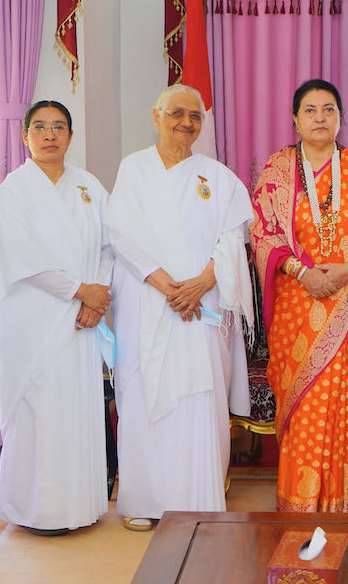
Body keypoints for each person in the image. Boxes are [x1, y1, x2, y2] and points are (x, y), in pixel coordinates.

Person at [106, 85, 254, 530]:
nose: (186, 123)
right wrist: (167, 286)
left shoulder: (218, 177)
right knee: (143, 396)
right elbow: (121, 233)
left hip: (203, 305)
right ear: (157, 117)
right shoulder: (133, 169)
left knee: (199, 399)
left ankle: (199, 502)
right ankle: (144, 502)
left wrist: (204, 282)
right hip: (148, 301)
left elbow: (234, 239)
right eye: (176, 113)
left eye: (194, 116)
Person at [250, 79, 348, 513]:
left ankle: (338, 500)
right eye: (310, 110)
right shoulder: (278, 169)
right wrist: (302, 272)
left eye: (328, 109)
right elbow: (263, 234)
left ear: (340, 118)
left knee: (338, 395)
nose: (319, 118)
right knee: (307, 397)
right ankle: (300, 499)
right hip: (297, 301)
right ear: (295, 120)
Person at [0, 100, 112, 535]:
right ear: (25, 136)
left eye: (58, 127)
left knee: (77, 409)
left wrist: (96, 297)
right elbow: (22, 257)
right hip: (30, 320)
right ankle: (35, 510)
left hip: (81, 320)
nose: (49, 134)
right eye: (39, 126)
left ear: (70, 136)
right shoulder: (14, 190)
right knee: (37, 411)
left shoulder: (89, 186)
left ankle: (80, 506)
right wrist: (80, 290)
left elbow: (110, 246)